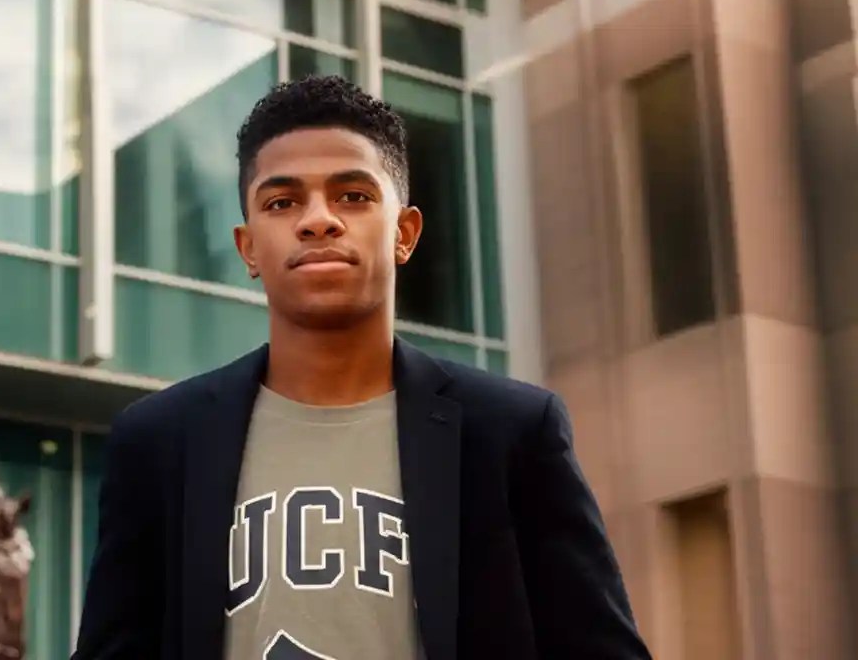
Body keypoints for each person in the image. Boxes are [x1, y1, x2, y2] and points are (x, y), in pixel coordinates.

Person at [73, 76, 651, 659]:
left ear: (404, 233)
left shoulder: (511, 433)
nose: (318, 220)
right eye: (282, 202)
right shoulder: (160, 441)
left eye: (352, 196)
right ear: (248, 247)